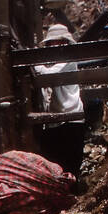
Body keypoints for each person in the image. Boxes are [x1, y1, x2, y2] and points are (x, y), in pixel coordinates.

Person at [32, 23, 86, 179]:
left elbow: (49, 76)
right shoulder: (52, 61)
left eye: (54, 42)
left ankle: (73, 198)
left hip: (71, 119)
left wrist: (33, 61)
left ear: (64, 42)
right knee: (54, 164)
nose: (52, 45)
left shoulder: (67, 59)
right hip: (54, 121)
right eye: (50, 43)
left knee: (71, 165)